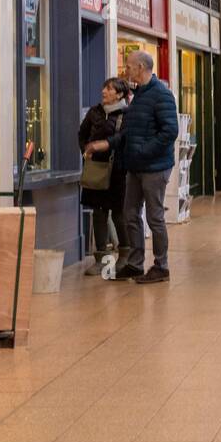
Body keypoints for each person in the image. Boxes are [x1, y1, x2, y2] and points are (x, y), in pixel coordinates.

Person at [86, 51, 178, 284]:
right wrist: (105, 144)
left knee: (154, 217)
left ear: (140, 67)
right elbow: (126, 133)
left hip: (155, 167)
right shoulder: (137, 97)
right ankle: (135, 264)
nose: (125, 71)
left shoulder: (161, 95)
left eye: (128, 67)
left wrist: (142, 151)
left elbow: (170, 132)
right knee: (130, 214)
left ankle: (161, 266)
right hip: (135, 167)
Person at [78, 77, 130, 276]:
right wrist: (85, 150)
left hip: (117, 170)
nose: (104, 92)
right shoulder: (95, 112)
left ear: (119, 94)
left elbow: (123, 138)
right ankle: (102, 259)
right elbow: (82, 134)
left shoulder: (126, 114)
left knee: (118, 212)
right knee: (98, 213)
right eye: (104, 87)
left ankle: (125, 255)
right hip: (95, 169)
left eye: (109, 89)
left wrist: (106, 144)